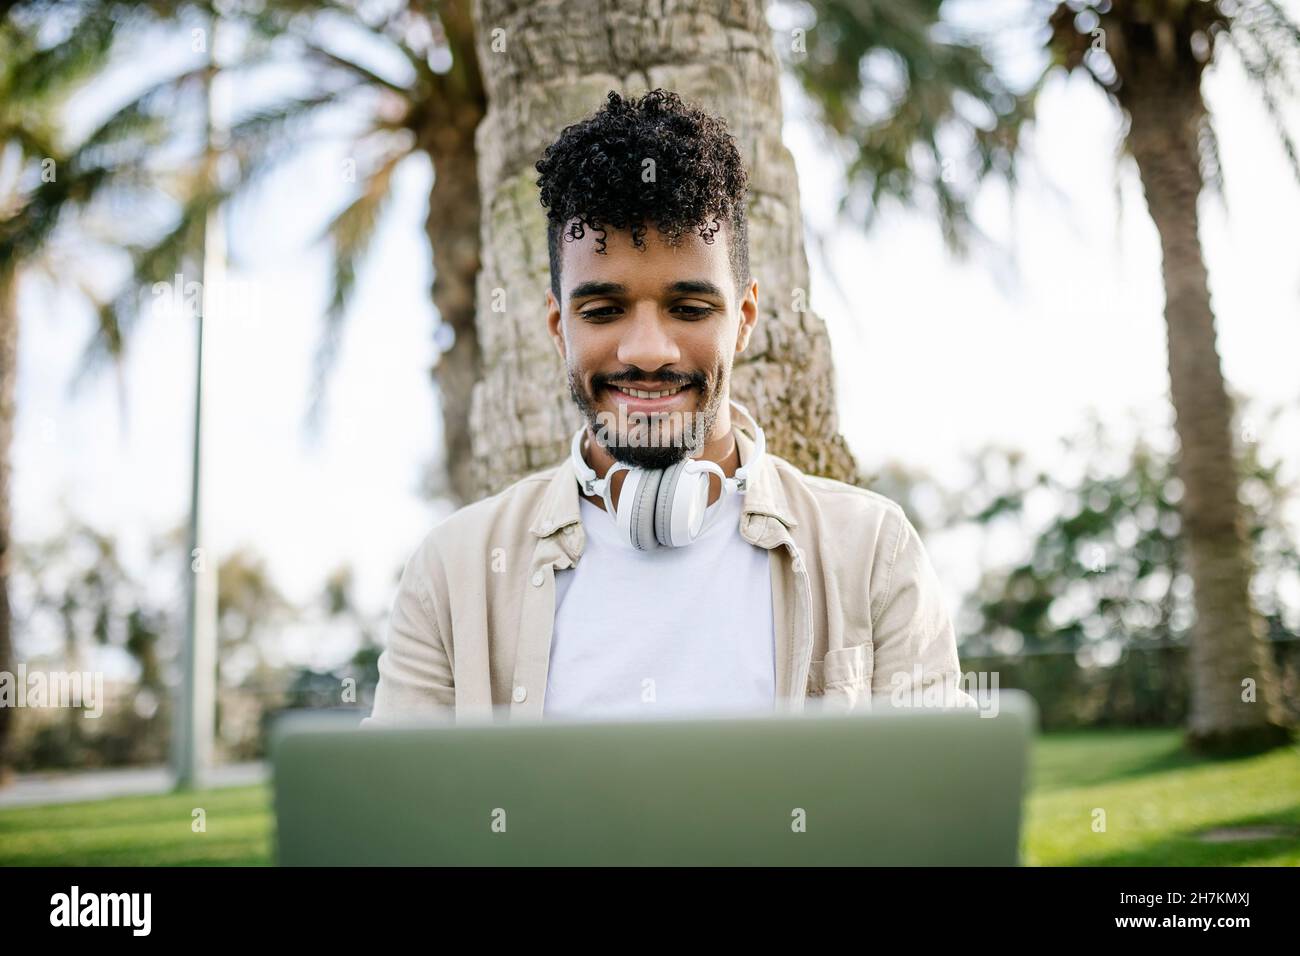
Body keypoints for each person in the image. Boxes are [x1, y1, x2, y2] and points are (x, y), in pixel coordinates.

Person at [365, 89, 975, 725]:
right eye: (603, 311)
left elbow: (934, 787)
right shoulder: (452, 572)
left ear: (743, 318)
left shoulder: (873, 552)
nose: (648, 352)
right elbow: (399, 791)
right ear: (558, 327)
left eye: (689, 309)